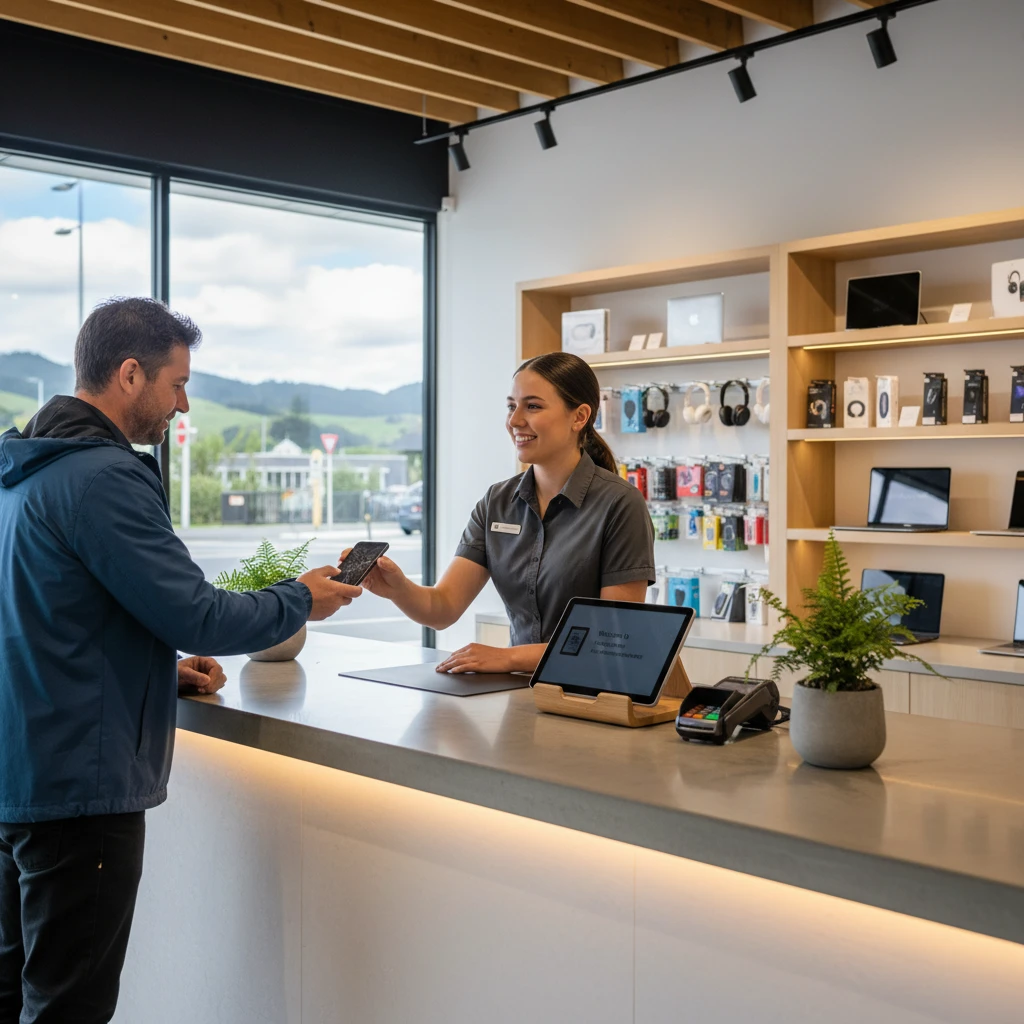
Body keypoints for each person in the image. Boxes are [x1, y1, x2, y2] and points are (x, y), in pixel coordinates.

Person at [0, 297, 362, 1023]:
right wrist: (300, 599)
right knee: (69, 1007)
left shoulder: (23, 473)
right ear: (130, 374)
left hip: (22, 777)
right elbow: (194, 611)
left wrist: (149, 669)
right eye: (177, 384)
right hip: (81, 791)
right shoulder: (100, 477)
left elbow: (42, 617)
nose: (184, 404)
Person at [345, 351, 655, 674]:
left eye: (532, 406)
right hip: (518, 696)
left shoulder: (621, 505)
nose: (514, 420)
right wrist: (397, 587)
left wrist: (508, 658)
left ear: (579, 417)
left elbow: (612, 639)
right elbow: (442, 607)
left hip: (592, 700)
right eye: (511, 406)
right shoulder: (497, 501)